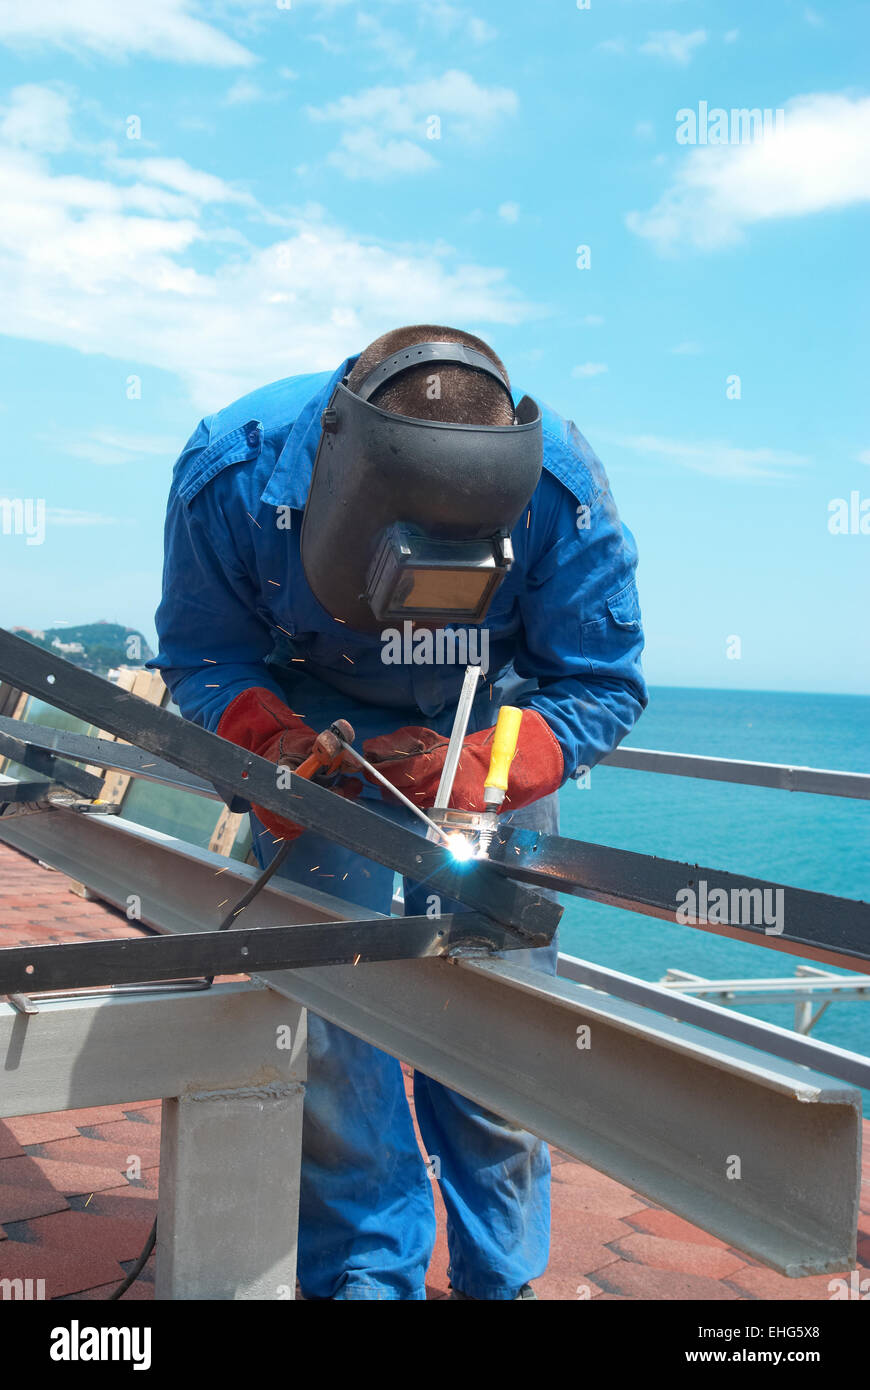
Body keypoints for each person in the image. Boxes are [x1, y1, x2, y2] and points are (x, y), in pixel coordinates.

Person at [151, 323, 647, 1300]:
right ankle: (366, 1277)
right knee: (339, 1034)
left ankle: (498, 1281)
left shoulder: (561, 492)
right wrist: (275, 751)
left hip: (480, 733)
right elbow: (207, 657)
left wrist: (481, 768)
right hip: (317, 733)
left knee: (496, 1034)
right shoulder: (231, 475)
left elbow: (595, 680)